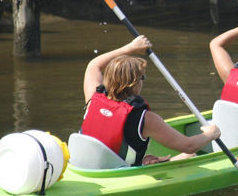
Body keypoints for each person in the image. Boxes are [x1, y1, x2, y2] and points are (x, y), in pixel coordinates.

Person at [81, 35, 219, 165]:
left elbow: (94, 65)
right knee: (191, 154)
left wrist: (130, 48)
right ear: (134, 83)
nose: (143, 82)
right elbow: (189, 146)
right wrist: (210, 134)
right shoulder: (145, 119)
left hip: (87, 166)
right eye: (142, 78)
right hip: (119, 173)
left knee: (150, 156)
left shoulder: (93, 99)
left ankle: (143, 162)